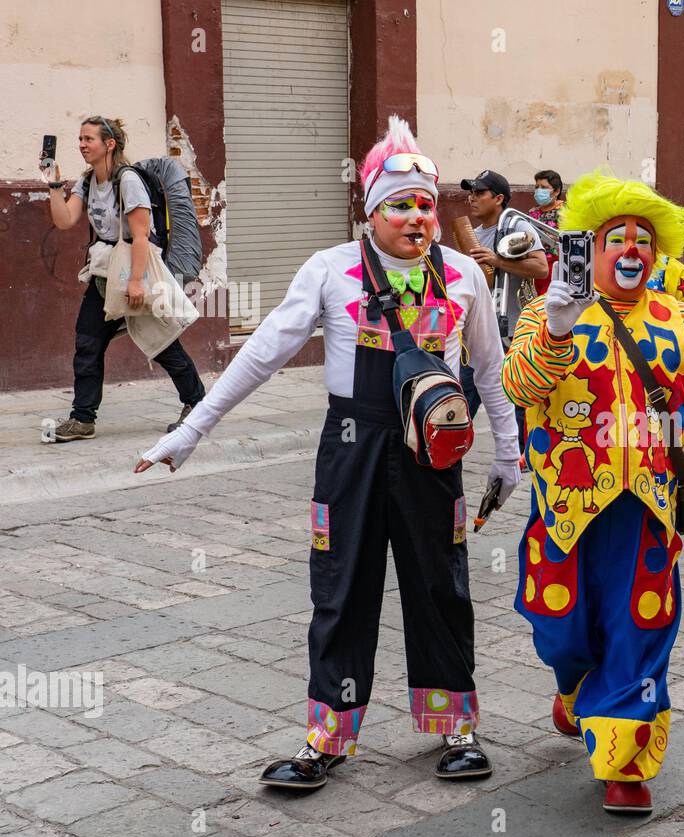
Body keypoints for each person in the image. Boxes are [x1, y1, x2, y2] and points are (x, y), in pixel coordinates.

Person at [136, 117, 522, 790]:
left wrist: (508, 456)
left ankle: (454, 725)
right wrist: (191, 430)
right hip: (352, 449)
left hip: (434, 456)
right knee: (341, 590)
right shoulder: (331, 270)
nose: (415, 217)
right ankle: (329, 736)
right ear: (372, 212)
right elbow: (262, 353)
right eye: (399, 205)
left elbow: (490, 372)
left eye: (426, 205)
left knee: (440, 586)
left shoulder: (462, 276)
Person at [502, 171, 684, 815]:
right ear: (589, 248)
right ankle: (576, 684)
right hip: (567, 508)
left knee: (642, 626)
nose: (632, 250)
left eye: (643, 241)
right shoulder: (544, 312)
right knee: (561, 627)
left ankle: (624, 758)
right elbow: (520, 390)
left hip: (649, 508)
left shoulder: (679, 317)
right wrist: (554, 327)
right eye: (616, 239)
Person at [39, 115, 205, 442]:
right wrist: (54, 185)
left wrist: (136, 283)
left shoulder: (127, 180)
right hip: (104, 274)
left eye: (89, 139)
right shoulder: (87, 182)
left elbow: (141, 237)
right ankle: (82, 419)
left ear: (109, 144)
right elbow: (64, 220)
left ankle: (197, 403)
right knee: (87, 343)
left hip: (135, 269)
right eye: (81, 139)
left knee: (162, 344)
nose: (82, 145)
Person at [459, 169, 548, 459]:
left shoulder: (515, 226)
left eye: (479, 193)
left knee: (517, 392)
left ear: (498, 198)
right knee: (465, 389)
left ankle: (524, 454)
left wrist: (497, 261)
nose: (472, 198)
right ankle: (451, 443)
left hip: (512, 328)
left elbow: (541, 267)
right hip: (479, 329)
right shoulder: (476, 233)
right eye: (471, 192)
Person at [527, 169, 564, 295]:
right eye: (537, 187)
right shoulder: (532, 213)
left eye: (544, 187)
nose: (538, 191)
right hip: (536, 266)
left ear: (557, 191)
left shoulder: (566, 212)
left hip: (558, 267)